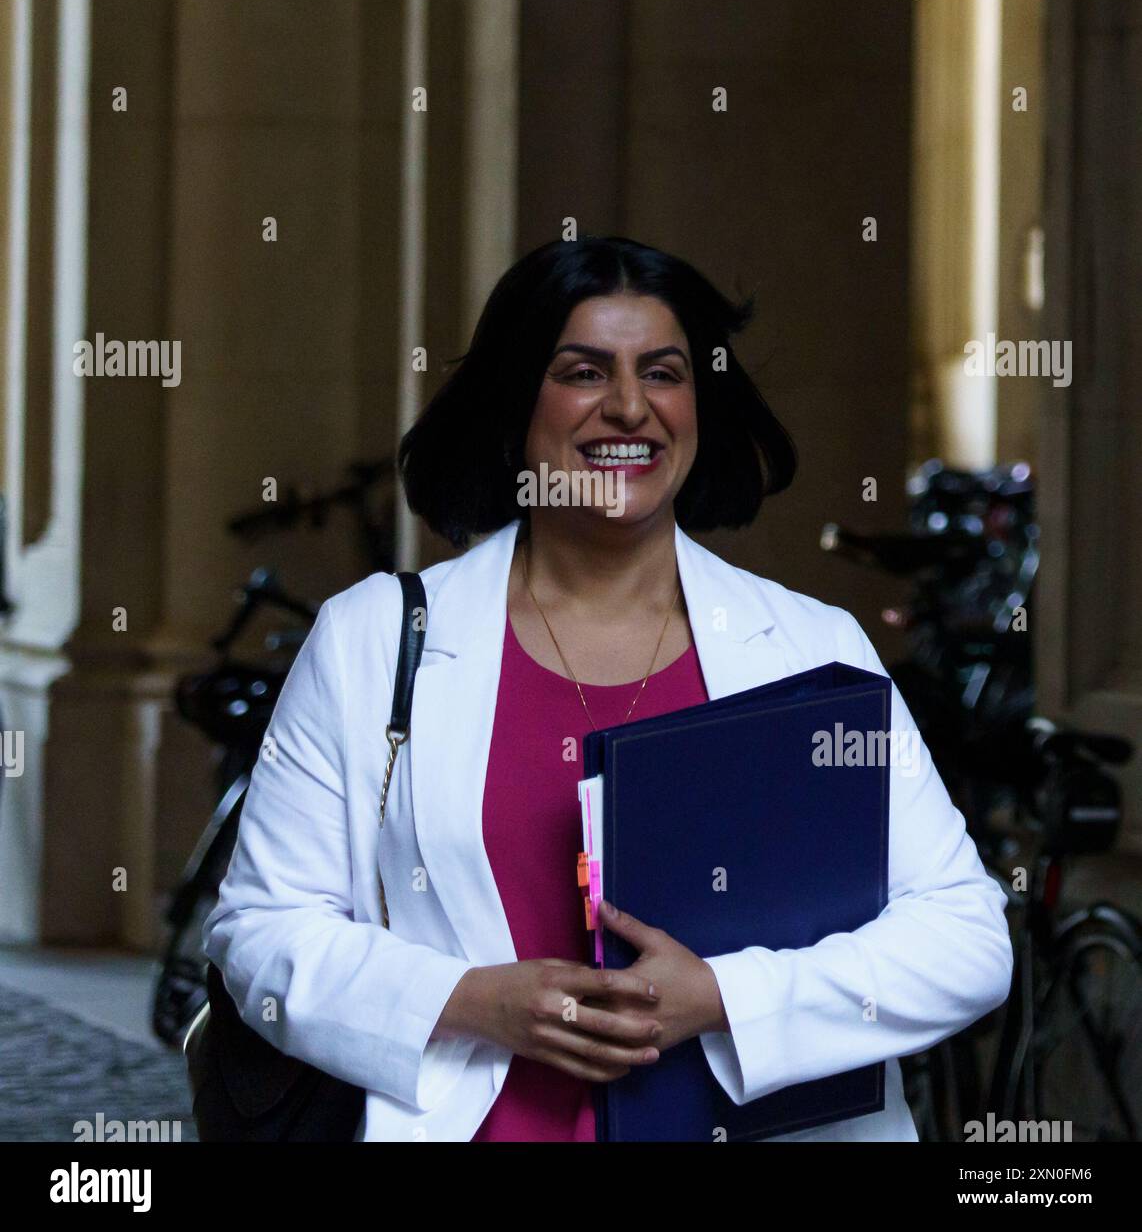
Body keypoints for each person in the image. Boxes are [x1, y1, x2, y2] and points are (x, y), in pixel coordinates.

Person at [203, 235, 1013, 1141]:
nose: (630, 408)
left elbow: (967, 939)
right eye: (584, 372)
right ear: (519, 407)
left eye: (662, 373)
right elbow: (262, 930)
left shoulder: (811, 650)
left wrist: (723, 998)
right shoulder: (374, 638)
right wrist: (473, 1001)